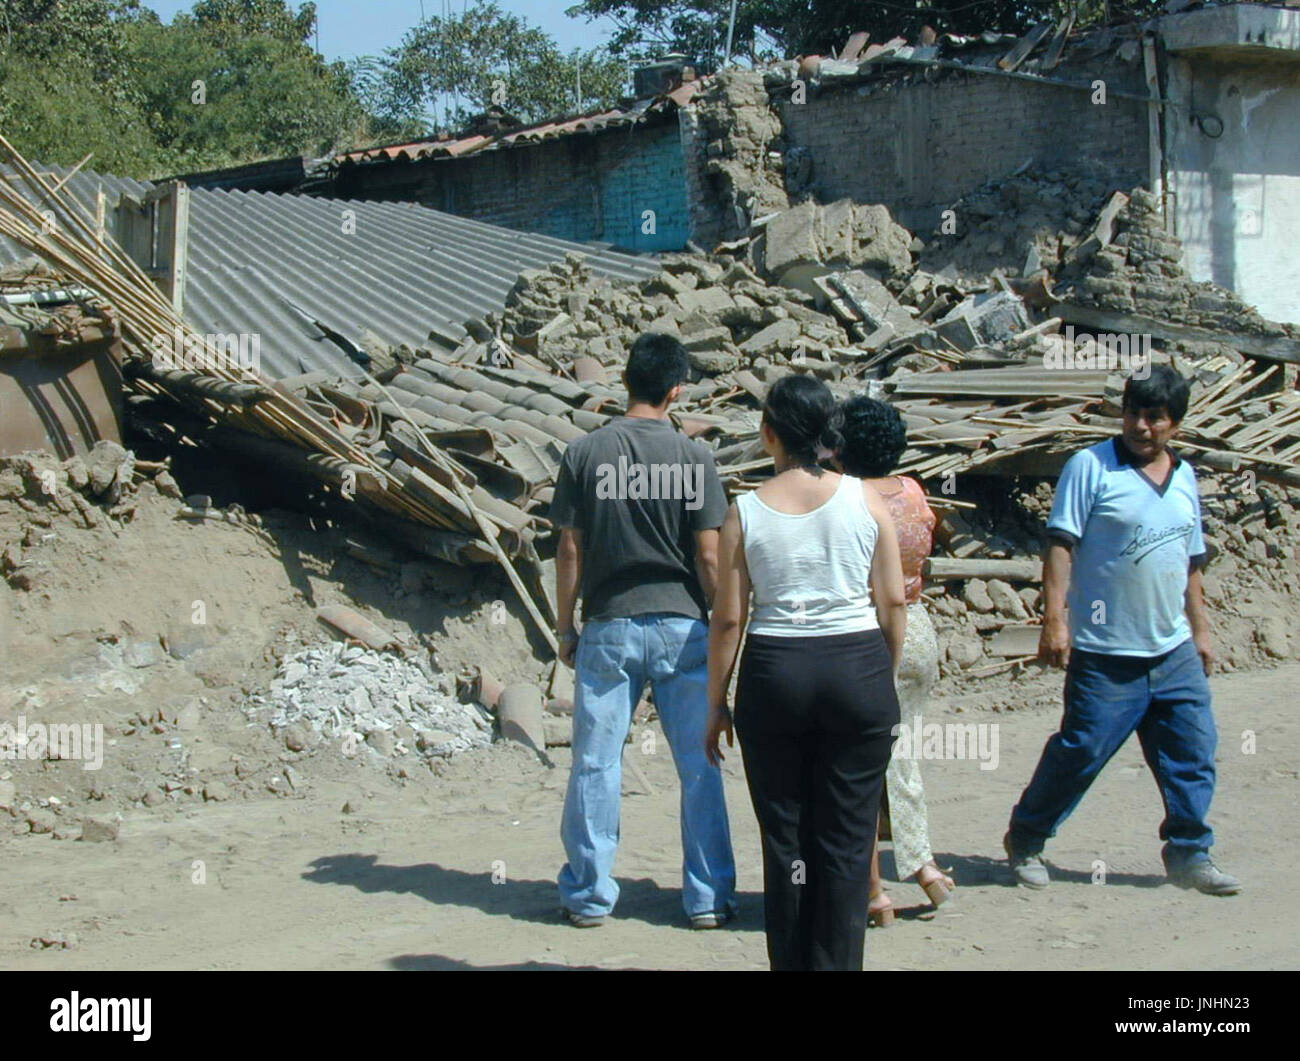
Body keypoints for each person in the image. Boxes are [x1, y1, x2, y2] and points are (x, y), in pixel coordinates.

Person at [1004, 364, 1239, 895]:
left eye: (1154, 417)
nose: (1140, 426)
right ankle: (1027, 838)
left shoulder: (1184, 477)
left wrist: (1200, 631)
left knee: (1192, 751)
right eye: (1133, 413)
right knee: (1081, 750)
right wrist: (1054, 620)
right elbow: (1060, 544)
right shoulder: (1090, 467)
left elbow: (1190, 562)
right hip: (1106, 652)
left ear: (1175, 424)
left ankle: (1189, 853)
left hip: (1172, 648)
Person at [705, 374, 907, 971]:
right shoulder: (866, 499)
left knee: (786, 839)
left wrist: (716, 704)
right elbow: (892, 601)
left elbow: (727, 622)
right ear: (829, 432)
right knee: (847, 842)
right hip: (857, 669)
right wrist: (879, 674)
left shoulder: (744, 512)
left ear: (769, 434)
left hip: (775, 677)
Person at [551, 331, 737, 929]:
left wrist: (564, 626)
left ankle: (587, 896)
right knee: (699, 763)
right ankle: (707, 898)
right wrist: (719, 626)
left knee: (595, 764)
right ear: (676, 389)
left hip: (608, 625)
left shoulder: (584, 454)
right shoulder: (694, 458)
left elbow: (569, 550)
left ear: (625, 381)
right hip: (683, 628)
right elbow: (710, 557)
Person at [837, 395, 954, 925]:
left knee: (853, 768)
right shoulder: (912, 490)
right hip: (919, 630)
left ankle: (874, 890)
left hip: (870, 634)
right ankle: (922, 864)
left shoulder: (845, 500)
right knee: (899, 753)